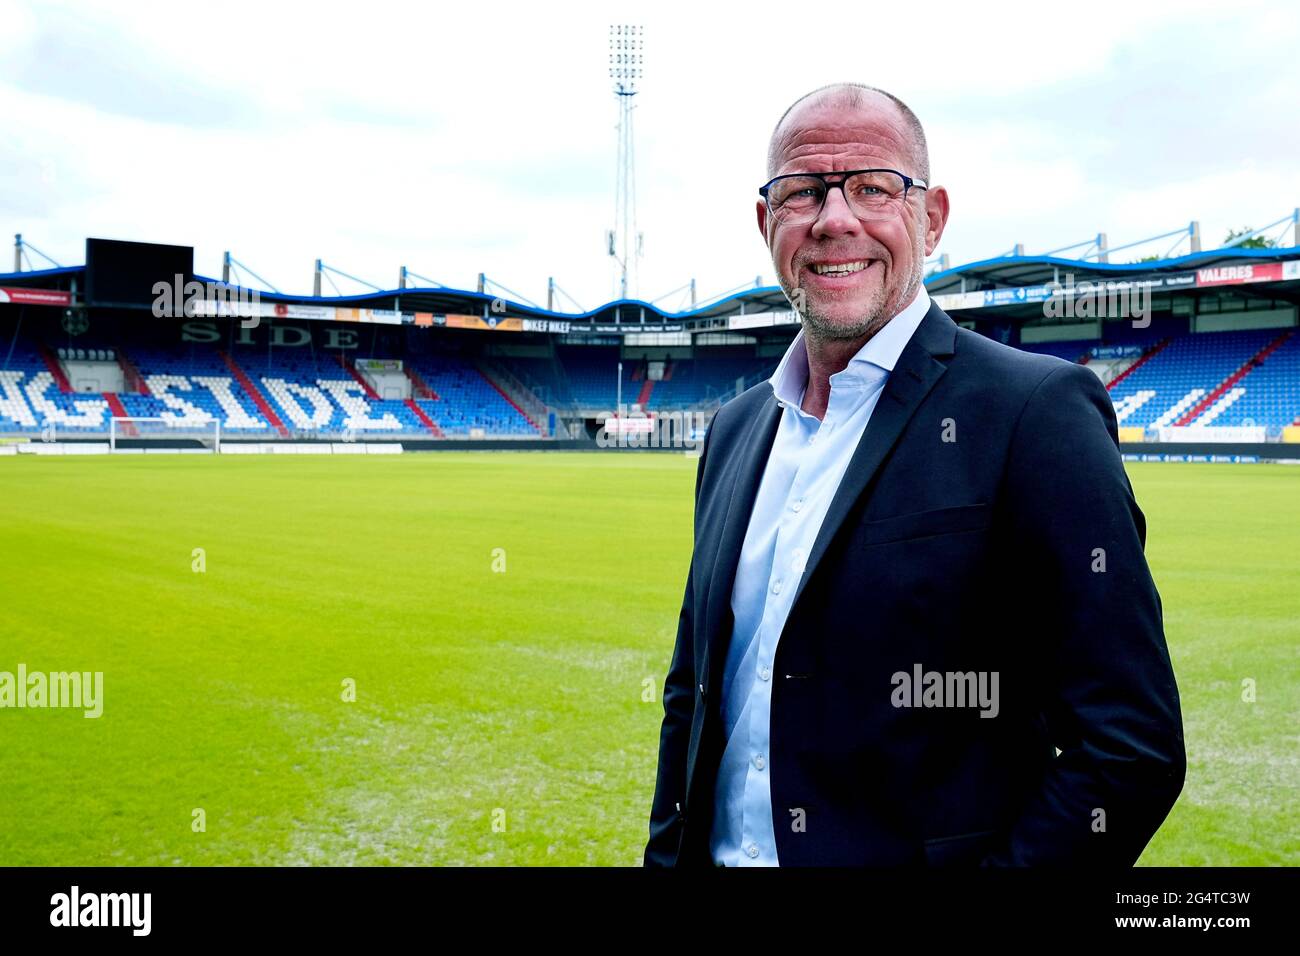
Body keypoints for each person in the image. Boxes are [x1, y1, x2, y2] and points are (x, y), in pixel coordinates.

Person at [643, 82, 1186, 867]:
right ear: (769, 224)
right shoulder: (733, 432)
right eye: (803, 193)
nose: (836, 219)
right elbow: (690, 698)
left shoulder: (1034, 413)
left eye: (872, 187)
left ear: (930, 218)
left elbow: (1131, 749)